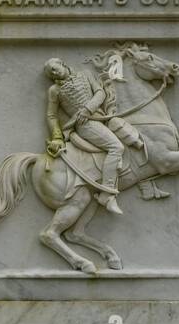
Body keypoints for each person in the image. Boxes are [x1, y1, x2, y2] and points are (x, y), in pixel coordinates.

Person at [44, 58, 142, 214]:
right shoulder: (54, 90)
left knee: (126, 129)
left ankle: (145, 182)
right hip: (85, 124)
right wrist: (57, 137)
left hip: (101, 116)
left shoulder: (86, 74)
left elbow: (100, 92)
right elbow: (51, 115)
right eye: (50, 73)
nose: (53, 73)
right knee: (116, 147)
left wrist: (88, 108)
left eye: (54, 68)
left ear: (63, 64)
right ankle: (108, 194)